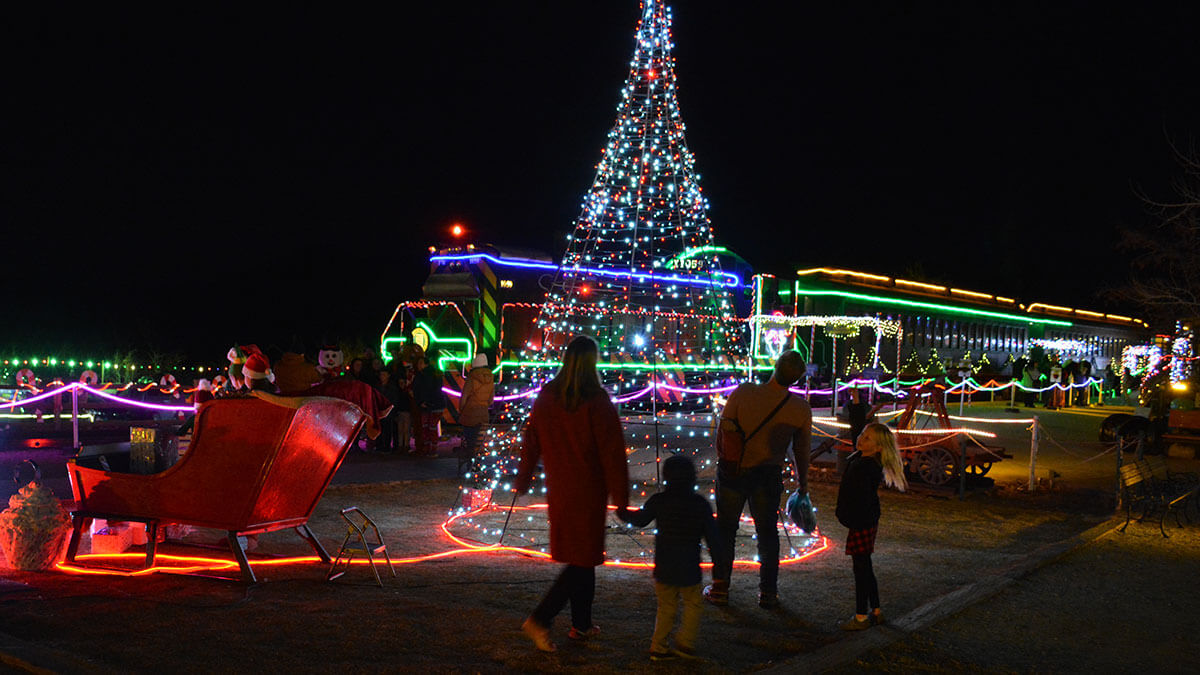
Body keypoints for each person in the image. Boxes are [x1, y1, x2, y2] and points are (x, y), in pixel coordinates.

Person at [515, 336, 630, 653]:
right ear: (592, 362)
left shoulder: (547, 397)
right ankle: (540, 619)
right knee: (582, 560)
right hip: (588, 492)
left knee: (586, 558)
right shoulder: (596, 400)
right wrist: (621, 498)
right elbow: (612, 453)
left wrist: (523, 481)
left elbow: (531, 442)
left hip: (562, 491)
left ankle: (581, 624)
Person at [705, 350, 812, 609]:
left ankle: (720, 587)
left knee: (726, 531)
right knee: (767, 534)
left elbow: (724, 431)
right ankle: (768, 592)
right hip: (767, 475)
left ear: (774, 368)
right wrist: (803, 482)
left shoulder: (743, 393)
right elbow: (801, 451)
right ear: (796, 380)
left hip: (734, 471)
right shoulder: (800, 409)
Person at [616, 454, 718, 661]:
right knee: (693, 604)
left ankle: (658, 647)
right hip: (689, 566)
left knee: (666, 607)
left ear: (666, 477)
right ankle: (685, 643)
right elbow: (713, 538)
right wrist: (720, 566)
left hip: (664, 565)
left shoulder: (659, 501)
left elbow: (640, 520)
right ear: (692, 477)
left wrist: (622, 511)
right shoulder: (700, 504)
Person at [836, 422, 907, 630]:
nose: (860, 438)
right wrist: (857, 403)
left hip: (862, 521)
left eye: (867, 438)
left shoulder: (867, 467)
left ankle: (861, 617)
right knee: (865, 566)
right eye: (862, 435)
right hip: (864, 520)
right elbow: (857, 425)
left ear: (878, 448)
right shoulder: (862, 458)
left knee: (861, 569)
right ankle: (876, 610)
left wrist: (851, 519)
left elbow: (861, 498)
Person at [458, 354, 495, 467]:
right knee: (479, 443)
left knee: (470, 442)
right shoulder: (491, 378)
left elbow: (464, 397)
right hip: (483, 415)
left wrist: (461, 410)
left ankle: (471, 465)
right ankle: (477, 465)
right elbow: (491, 400)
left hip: (470, 415)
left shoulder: (472, 377)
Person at [412, 353, 446, 456]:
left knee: (426, 427)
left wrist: (422, 402)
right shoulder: (437, 373)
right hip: (437, 404)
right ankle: (432, 449)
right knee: (432, 427)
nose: (418, 365)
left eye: (420, 363)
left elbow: (421, 390)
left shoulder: (421, 375)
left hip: (427, 405)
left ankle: (427, 448)